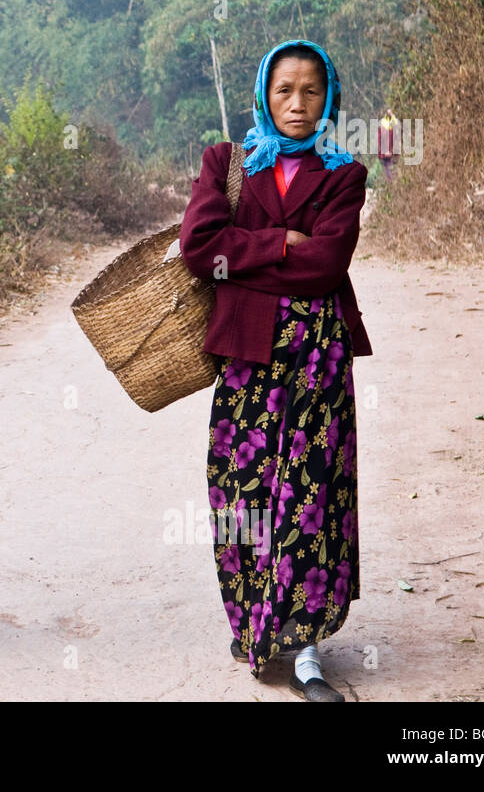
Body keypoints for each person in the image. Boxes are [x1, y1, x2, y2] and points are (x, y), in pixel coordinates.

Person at [179, 40, 373, 702]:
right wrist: (279, 242)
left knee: (310, 495)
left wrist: (252, 259)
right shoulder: (226, 163)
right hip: (245, 358)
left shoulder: (345, 173)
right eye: (284, 89)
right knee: (240, 494)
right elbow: (200, 250)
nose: (297, 103)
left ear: (329, 97)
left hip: (318, 355)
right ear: (264, 92)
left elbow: (326, 265)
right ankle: (253, 618)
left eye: (311, 90)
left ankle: (305, 645)